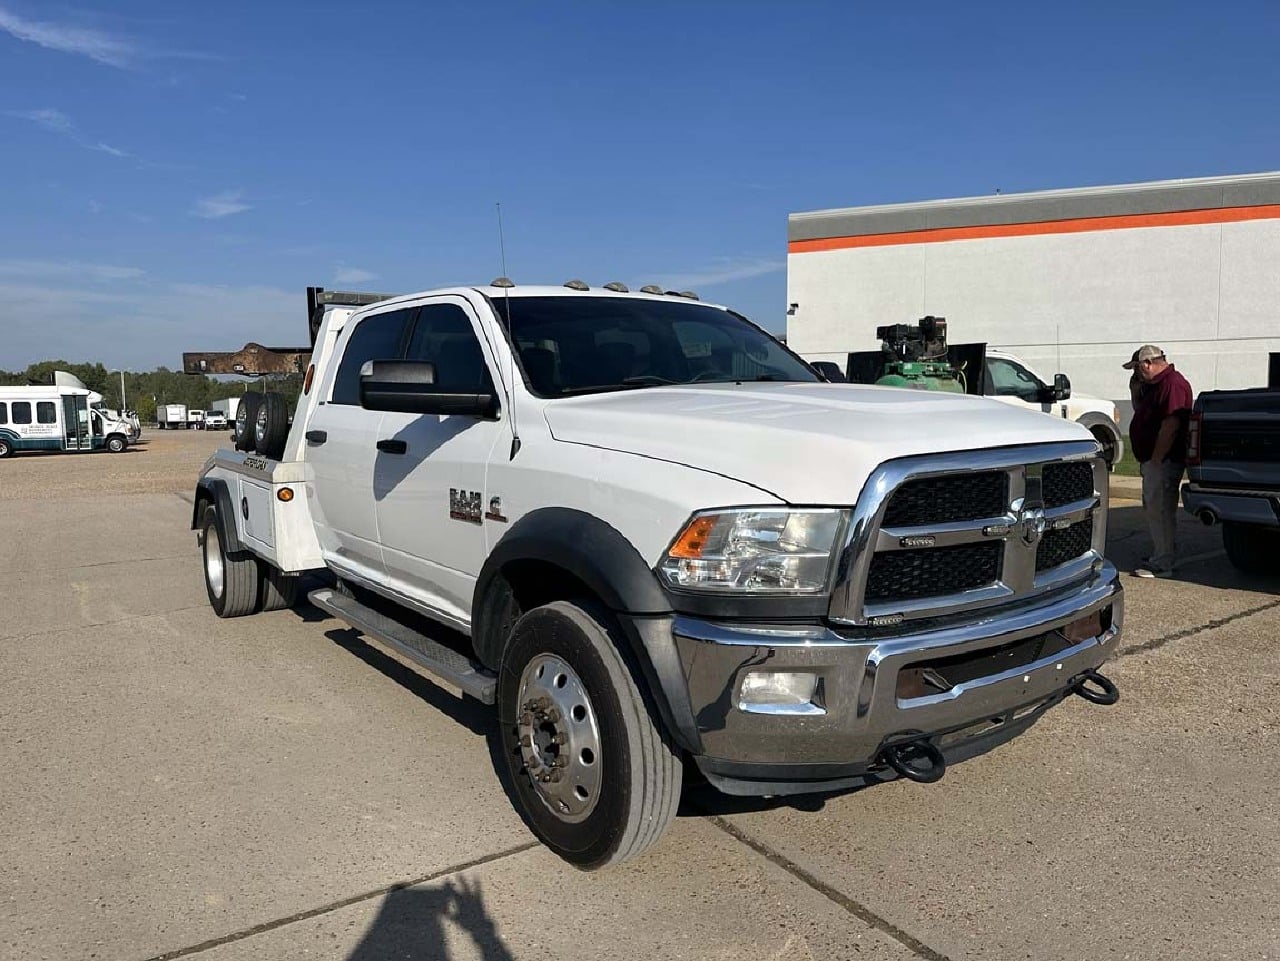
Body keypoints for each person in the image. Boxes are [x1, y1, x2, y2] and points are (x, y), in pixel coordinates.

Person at [1123, 345, 1194, 578]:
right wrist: (1135, 389)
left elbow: (1171, 425)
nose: (1136, 374)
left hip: (1164, 461)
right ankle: (1163, 551)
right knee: (1156, 508)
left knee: (1160, 509)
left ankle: (1163, 561)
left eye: (1136, 369)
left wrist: (1156, 459)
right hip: (1155, 460)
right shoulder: (1154, 386)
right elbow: (1140, 411)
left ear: (1147, 363)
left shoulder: (1172, 384)